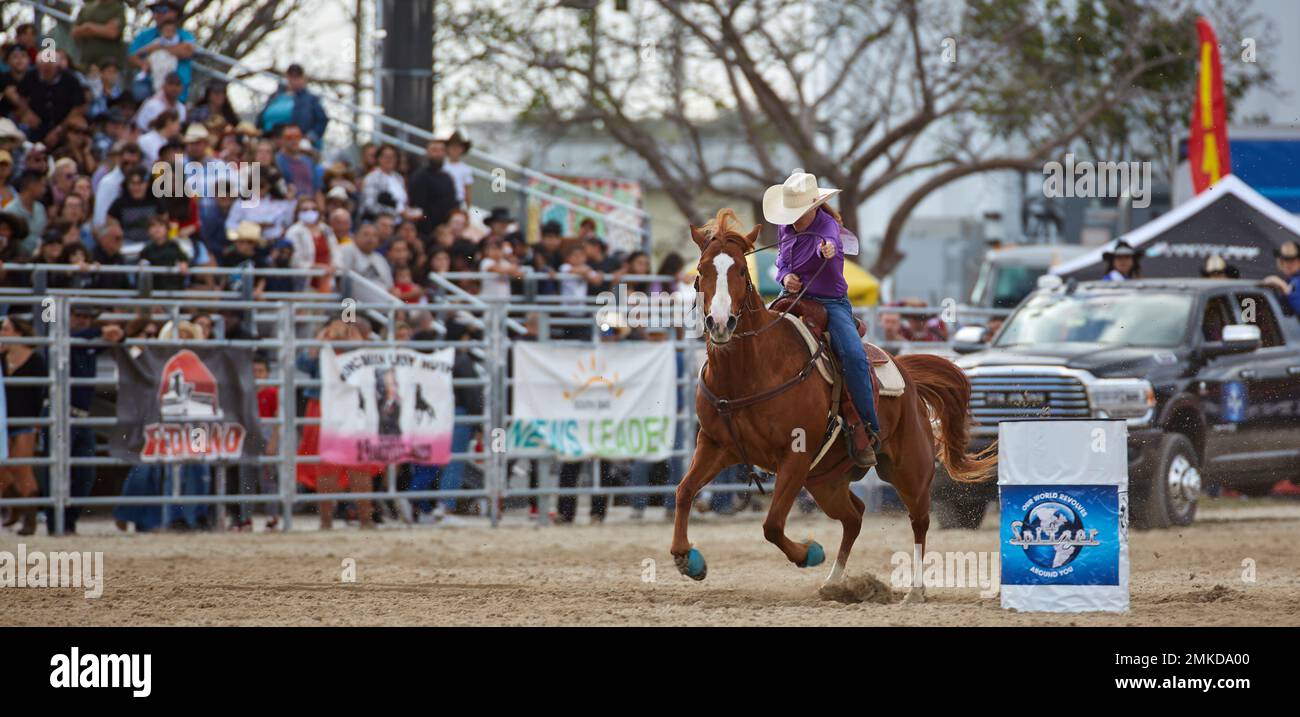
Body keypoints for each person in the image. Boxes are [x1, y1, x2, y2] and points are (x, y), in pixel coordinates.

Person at [765, 170, 879, 467]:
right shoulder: (784, 228)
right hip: (790, 298)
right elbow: (780, 264)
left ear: (813, 207)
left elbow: (830, 244)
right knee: (757, 335)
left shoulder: (827, 226)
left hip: (831, 304)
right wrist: (786, 276)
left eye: (799, 210)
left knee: (854, 356)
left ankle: (870, 426)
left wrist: (827, 250)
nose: (794, 217)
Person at [0, 315, 47, 535]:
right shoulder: (2, 358)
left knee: (22, 467)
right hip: (4, 418)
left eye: (6, 329)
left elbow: (42, 392)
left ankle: (29, 518)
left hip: (27, 418)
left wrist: (38, 421)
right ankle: (16, 506)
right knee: (3, 467)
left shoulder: (35, 359)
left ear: (19, 333)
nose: (2, 333)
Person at [126, 1, 196, 103]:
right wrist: (145, 64)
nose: (157, 14)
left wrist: (159, 46)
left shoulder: (185, 35)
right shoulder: (144, 35)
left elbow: (187, 52)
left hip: (176, 91)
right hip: (148, 87)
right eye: (155, 10)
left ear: (174, 13)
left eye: (163, 10)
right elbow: (132, 56)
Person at [256, 63, 328, 148]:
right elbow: (260, 118)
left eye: (297, 77)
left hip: (296, 141)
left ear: (303, 79)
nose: (293, 80)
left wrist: (310, 137)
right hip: (268, 139)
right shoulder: (274, 96)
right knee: (252, 153)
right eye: (291, 76)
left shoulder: (310, 99)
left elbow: (322, 120)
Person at [409, 138, 457, 236]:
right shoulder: (420, 177)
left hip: (446, 230)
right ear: (427, 153)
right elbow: (418, 208)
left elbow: (452, 203)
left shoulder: (447, 178)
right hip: (425, 231)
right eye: (434, 150)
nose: (438, 154)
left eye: (441, 150)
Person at [72, 0, 128, 72]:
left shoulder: (118, 8)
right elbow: (74, 32)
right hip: (86, 64)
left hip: (108, 68)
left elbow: (112, 32)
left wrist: (89, 28)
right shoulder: (87, 7)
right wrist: (102, 29)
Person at [1262, 240, 1300, 315]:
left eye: (1292, 260)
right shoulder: (1290, 281)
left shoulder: (1295, 282)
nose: (1286, 264)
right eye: (1283, 259)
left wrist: (1284, 288)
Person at [443, 130, 474, 207]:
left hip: (458, 202)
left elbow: (468, 190)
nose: (455, 150)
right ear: (448, 148)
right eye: (452, 147)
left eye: (458, 147)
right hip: (442, 200)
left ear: (462, 149)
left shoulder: (466, 169)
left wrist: (468, 207)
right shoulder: (441, 166)